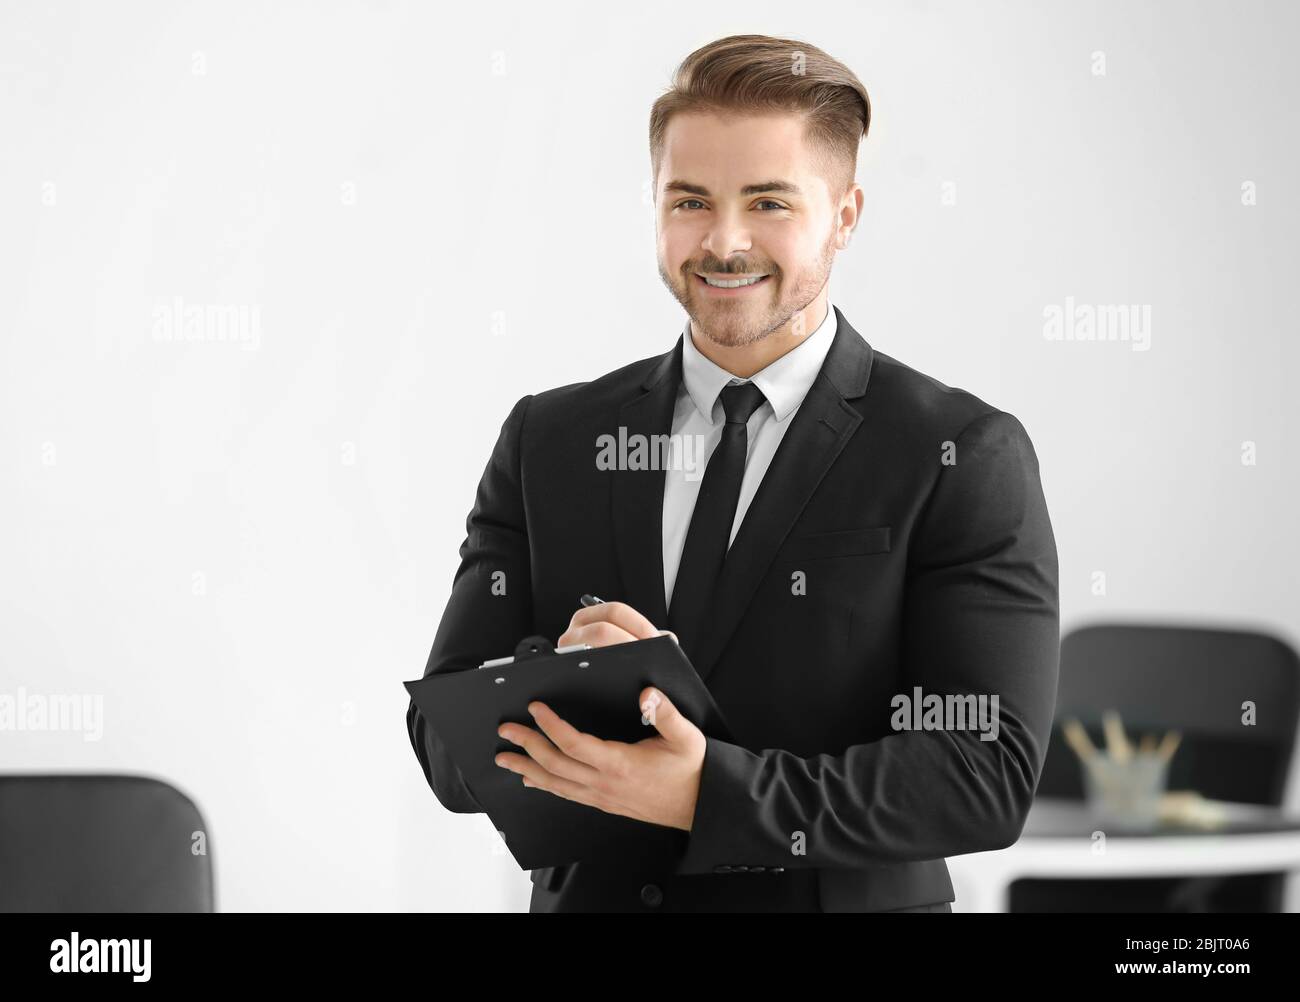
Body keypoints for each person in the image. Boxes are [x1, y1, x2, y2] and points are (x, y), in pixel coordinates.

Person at [407, 33, 1059, 912]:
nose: (723, 240)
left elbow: (984, 772)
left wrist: (707, 793)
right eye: (689, 200)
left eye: (769, 202)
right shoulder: (548, 439)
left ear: (846, 216)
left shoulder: (960, 453)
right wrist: (555, 676)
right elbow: (444, 743)